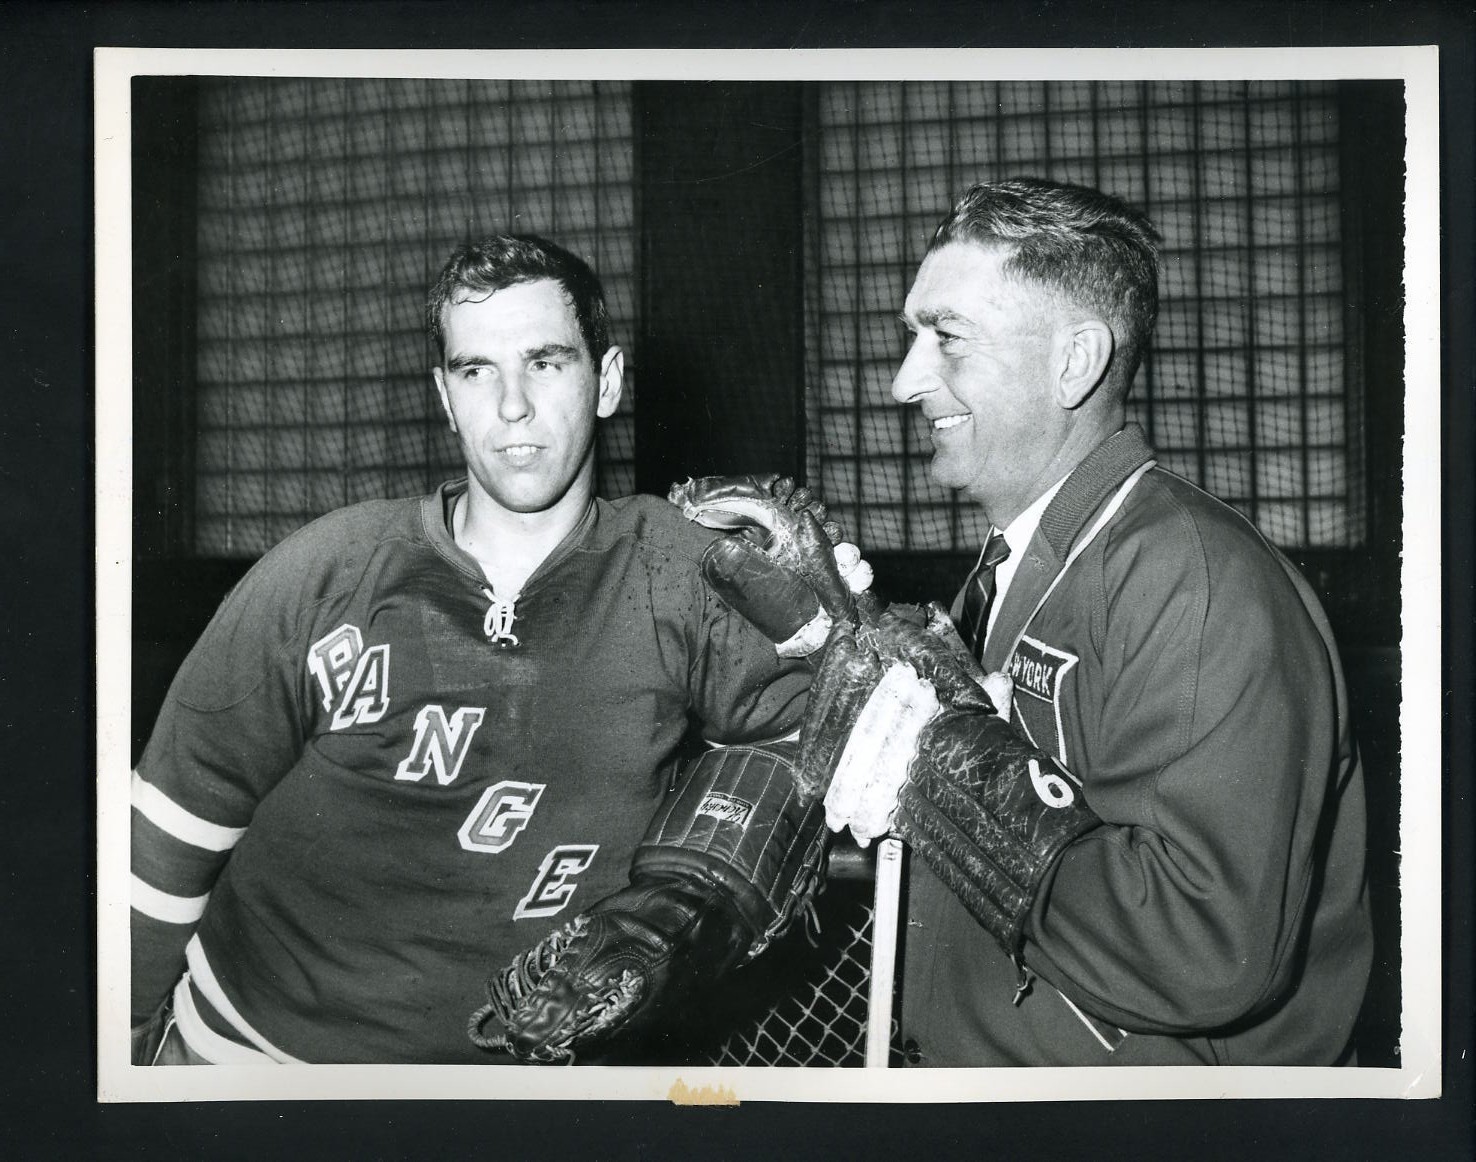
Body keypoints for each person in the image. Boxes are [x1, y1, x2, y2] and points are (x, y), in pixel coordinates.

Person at [128, 235, 829, 1065]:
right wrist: (119, 1050)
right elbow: (176, 822)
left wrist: (834, 626)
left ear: (605, 381)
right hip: (253, 1058)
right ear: (444, 396)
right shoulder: (326, 572)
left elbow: (821, 735)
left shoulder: (683, 575)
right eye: (475, 371)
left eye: (545, 361)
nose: (511, 406)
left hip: (520, 1095)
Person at [761, 177, 1373, 1066]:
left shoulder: (1193, 583)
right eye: (911, 337)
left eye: (947, 339)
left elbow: (1204, 952)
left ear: (1075, 361)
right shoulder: (1017, 561)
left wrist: (943, 773)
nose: (904, 380)